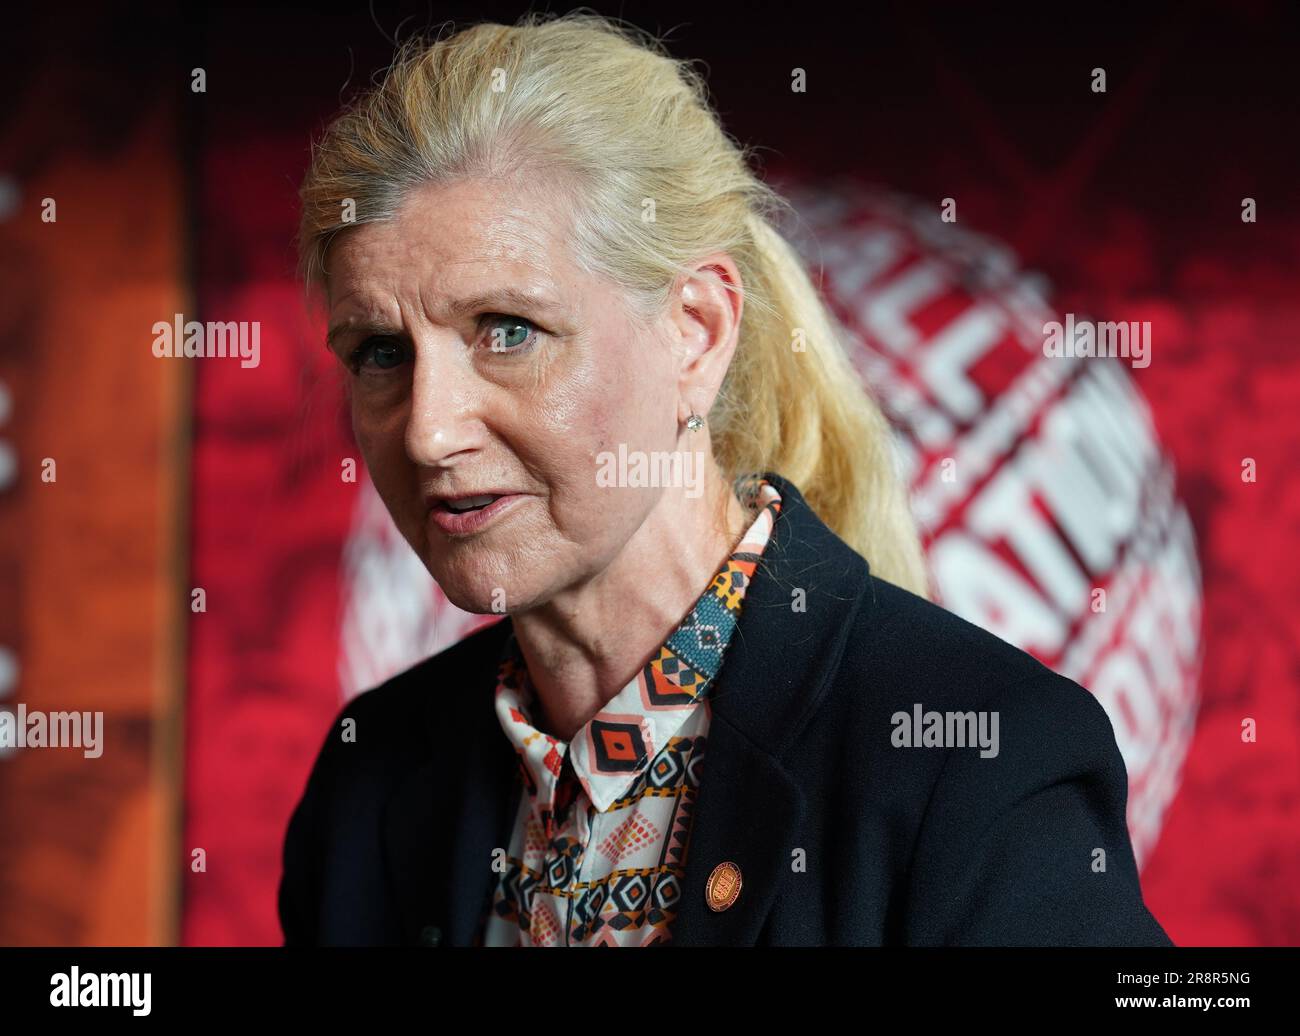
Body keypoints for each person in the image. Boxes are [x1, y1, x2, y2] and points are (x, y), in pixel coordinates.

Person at [278, 11, 1172, 947]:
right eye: (380, 351)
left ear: (695, 333)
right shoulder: (369, 781)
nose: (427, 430)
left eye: (508, 331)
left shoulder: (978, 760)